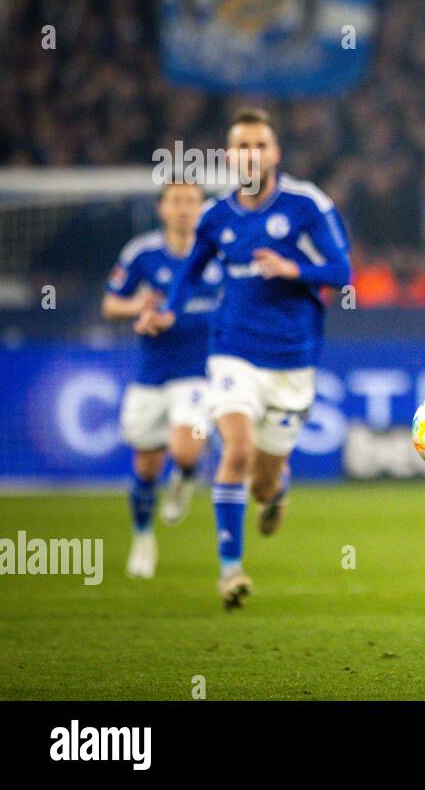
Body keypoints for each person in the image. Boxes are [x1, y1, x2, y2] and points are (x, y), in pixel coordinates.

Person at [136, 109, 352, 609]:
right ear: (229, 156)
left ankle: (275, 493)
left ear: (274, 154)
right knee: (234, 450)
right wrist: (167, 312)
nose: (251, 155)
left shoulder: (306, 206)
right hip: (233, 351)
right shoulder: (216, 217)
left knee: (262, 480)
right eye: (242, 147)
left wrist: (292, 268)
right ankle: (230, 572)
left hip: (293, 361)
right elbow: (189, 274)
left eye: (260, 146)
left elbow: (342, 272)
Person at [102, 181, 218, 578]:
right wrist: (138, 305)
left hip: (201, 376)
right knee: (147, 466)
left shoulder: (218, 254)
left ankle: (186, 476)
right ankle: (143, 537)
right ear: (162, 209)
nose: (184, 208)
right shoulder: (142, 254)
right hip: (151, 377)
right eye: (176, 201)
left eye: (192, 201)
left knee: (188, 449)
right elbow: (111, 303)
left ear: (202, 209)